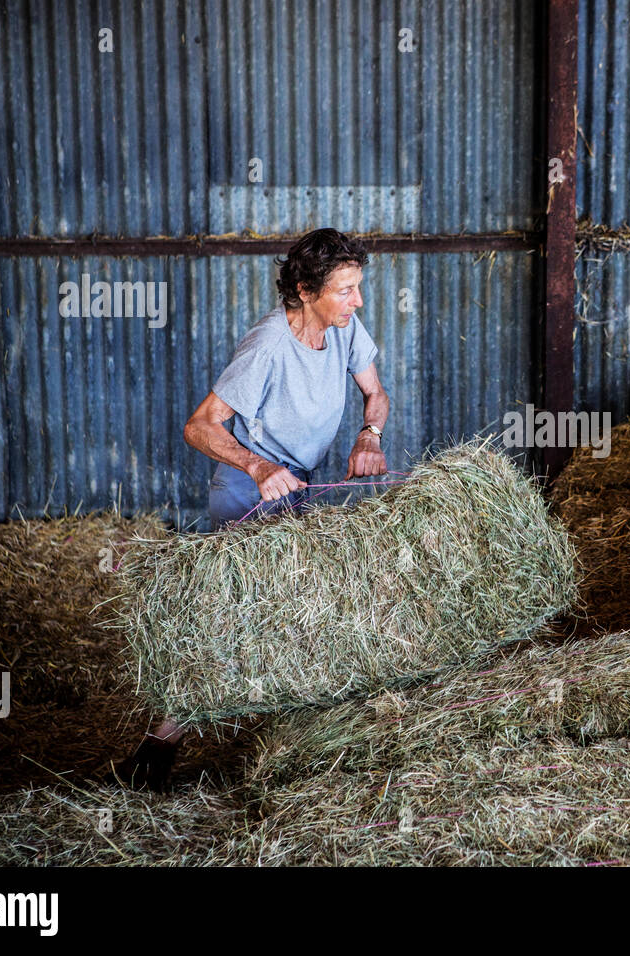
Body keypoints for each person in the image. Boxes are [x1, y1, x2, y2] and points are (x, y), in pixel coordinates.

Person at [111, 228, 390, 789]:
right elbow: (199, 426)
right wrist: (260, 468)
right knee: (235, 628)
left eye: (358, 287)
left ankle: (295, 748)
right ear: (307, 290)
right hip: (249, 494)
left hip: (299, 490)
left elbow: (375, 393)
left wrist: (369, 436)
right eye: (346, 289)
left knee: (299, 616)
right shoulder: (266, 346)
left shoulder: (343, 328)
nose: (357, 300)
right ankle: (154, 756)